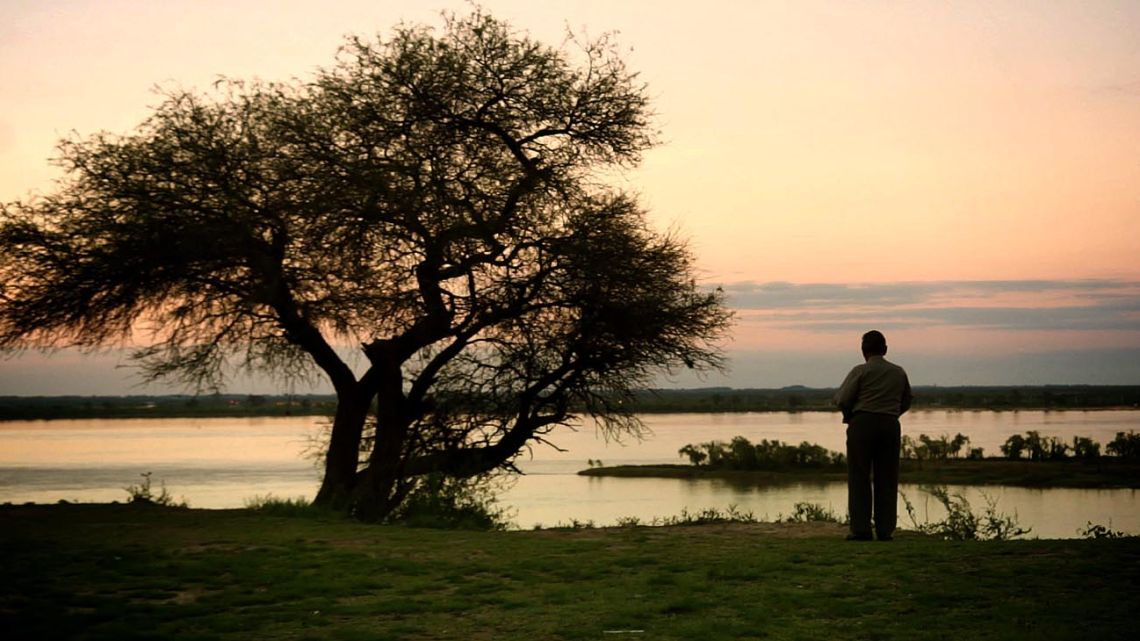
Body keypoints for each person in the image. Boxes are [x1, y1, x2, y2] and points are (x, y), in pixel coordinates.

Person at [833, 330, 912, 541]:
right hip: (890, 425)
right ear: (885, 349)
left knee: (859, 477)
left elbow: (841, 399)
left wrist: (851, 415)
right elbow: (907, 400)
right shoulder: (898, 372)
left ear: (863, 351)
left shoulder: (860, 371)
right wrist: (891, 413)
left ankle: (861, 530)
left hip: (862, 424)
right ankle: (885, 530)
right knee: (887, 477)